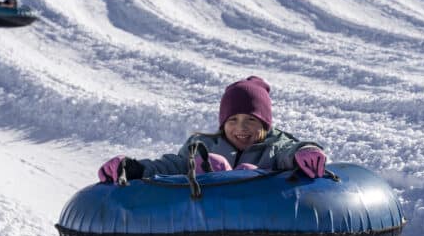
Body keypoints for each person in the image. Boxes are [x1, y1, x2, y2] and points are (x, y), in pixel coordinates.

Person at [98, 76, 327, 185]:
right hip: (205, 223)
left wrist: (304, 151)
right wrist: (134, 167)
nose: (241, 128)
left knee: (246, 173)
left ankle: (242, 178)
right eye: (233, 120)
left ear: (265, 124)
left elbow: (290, 151)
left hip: (259, 223)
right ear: (222, 123)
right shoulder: (203, 145)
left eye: (251, 120)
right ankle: (217, 177)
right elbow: (171, 166)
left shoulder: (275, 145)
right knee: (208, 163)